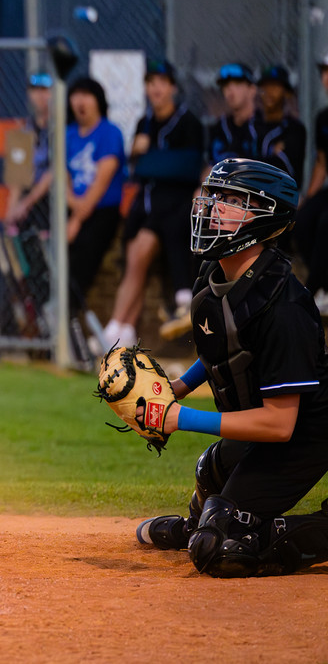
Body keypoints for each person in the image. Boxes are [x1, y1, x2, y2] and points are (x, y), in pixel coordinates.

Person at [134, 158, 328, 578]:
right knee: (211, 471)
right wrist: (176, 389)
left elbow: (280, 425)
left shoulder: (285, 306)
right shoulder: (212, 276)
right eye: (215, 195)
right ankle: (196, 526)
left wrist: (178, 418)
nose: (213, 206)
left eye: (233, 200)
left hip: (308, 434)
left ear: (266, 216)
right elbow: (226, 350)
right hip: (273, 427)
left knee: (222, 547)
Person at [103, 60, 204, 347]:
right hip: (145, 209)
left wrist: (150, 159)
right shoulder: (144, 123)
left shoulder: (189, 123)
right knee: (135, 258)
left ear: (172, 87)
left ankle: (117, 328)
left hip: (174, 210)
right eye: (150, 83)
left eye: (161, 82)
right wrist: (141, 158)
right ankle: (121, 330)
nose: (155, 89)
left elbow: (187, 168)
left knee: (142, 252)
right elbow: (136, 168)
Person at [63, 76, 126, 301]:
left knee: (82, 251)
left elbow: (101, 182)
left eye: (86, 95)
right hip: (72, 206)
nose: (80, 101)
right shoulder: (67, 134)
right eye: (75, 95)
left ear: (98, 101)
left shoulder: (110, 132)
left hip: (101, 210)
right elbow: (62, 177)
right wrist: (72, 205)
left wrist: (76, 220)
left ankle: (69, 311)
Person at [295, 56, 328, 311]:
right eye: (324, 72)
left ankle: (312, 291)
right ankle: (325, 288)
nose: (326, 77)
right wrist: (307, 197)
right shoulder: (322, 118)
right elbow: (321, 163)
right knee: (303, 220)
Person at [5, 71, 53, 234]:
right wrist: (11, 210)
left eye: (45, 90)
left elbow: (54, 173)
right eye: (35, 90)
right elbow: (18, 175)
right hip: (29, 198)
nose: (40, 96)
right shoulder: (24, 130)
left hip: (53, 198)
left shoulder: (64, 129)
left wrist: (26, 203)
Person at [254, 64, 307, 187]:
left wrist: (252, 159)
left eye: (275, 86)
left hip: (282, 195)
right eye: (265, 87)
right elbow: (235, 158)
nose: (268, 91)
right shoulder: (252, 126)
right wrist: (271, 152)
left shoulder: (294, 128)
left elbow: (283, 168)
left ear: (287, 92)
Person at [207, 63, 261, 167]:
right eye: (225, 85)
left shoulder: (264, 126)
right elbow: (209, 166)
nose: (230, 90)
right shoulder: (219, 128)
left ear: (252, 90)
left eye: (237, 84)